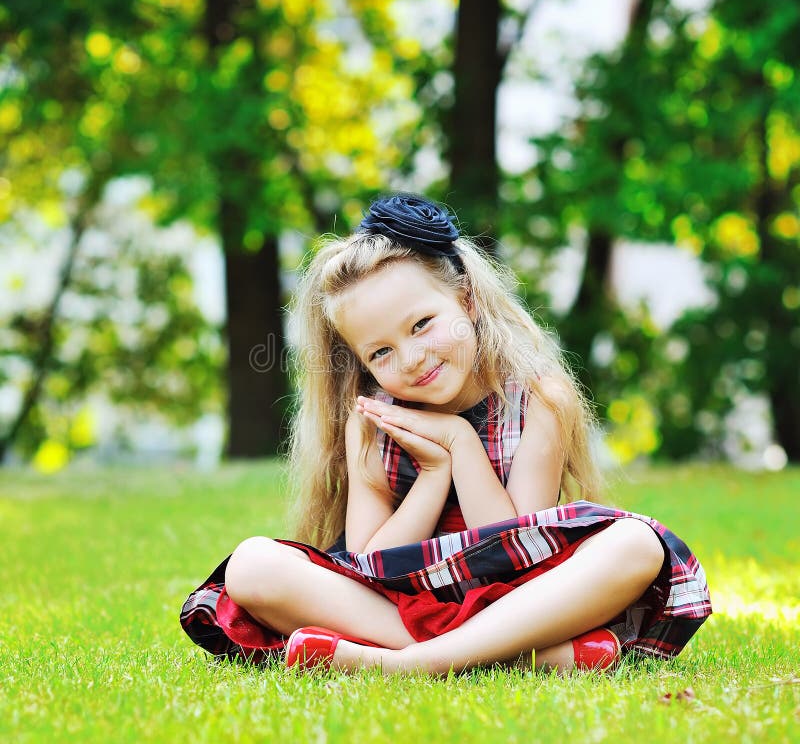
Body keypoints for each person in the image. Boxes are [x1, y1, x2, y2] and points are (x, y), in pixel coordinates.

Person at [180, 194, 711, 674]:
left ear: (468, 302)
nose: (411, 359)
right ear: (362, 364)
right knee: (251, 566)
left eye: (421, 324)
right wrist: (433, 476)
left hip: (517, 598)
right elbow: (369, 563)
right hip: (397, 597)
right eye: (381, 352)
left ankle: (414, 662)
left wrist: (461, 445)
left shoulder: (537, 400)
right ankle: (526, 657)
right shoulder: (371, 422)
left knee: (637, 545)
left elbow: (519, 551)